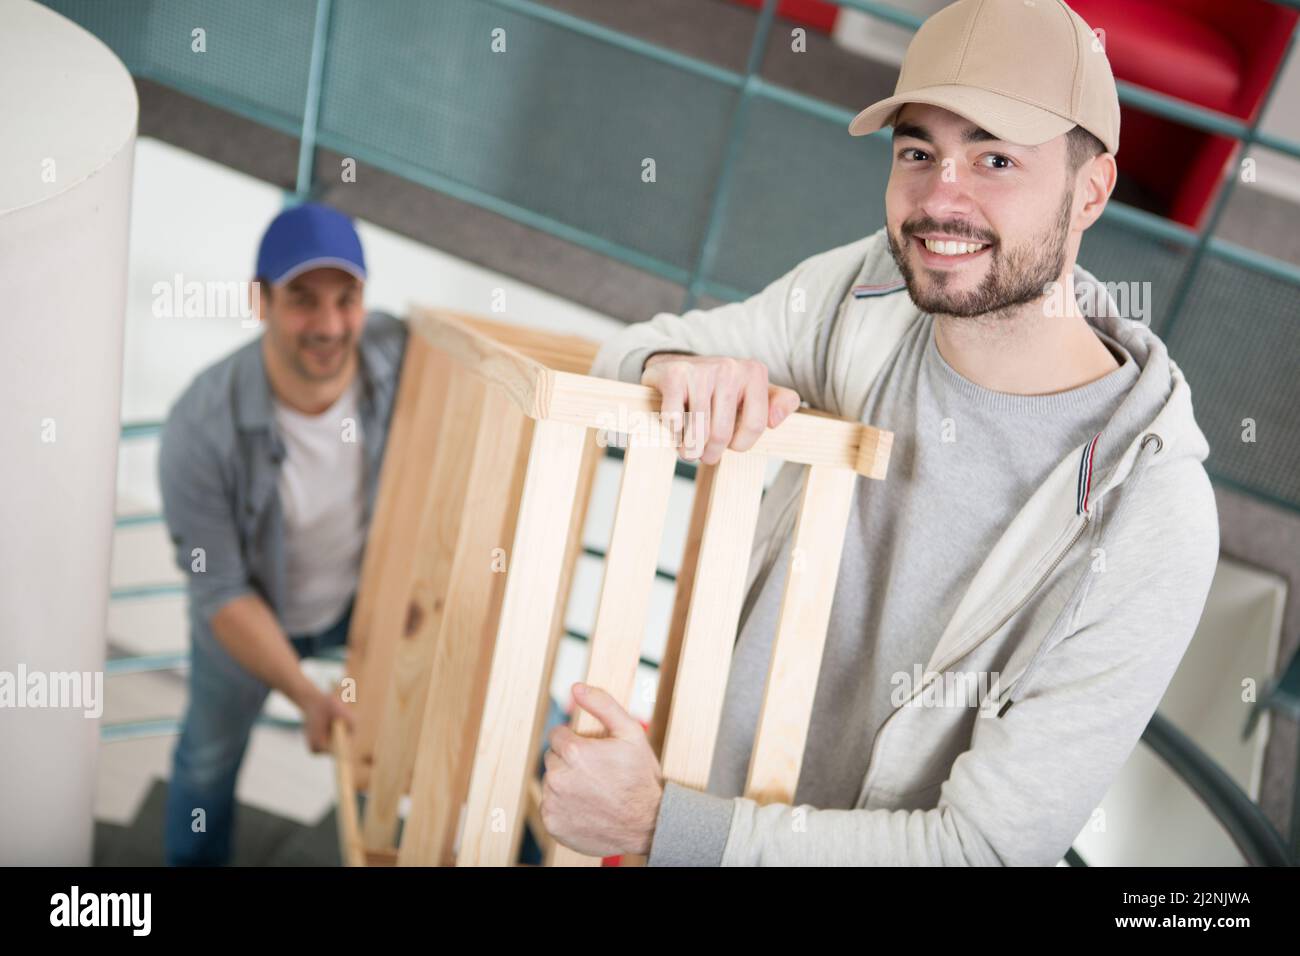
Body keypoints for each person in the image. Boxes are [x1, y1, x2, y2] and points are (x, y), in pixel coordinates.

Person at [538, 0, 1220, 865]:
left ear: (1091, 191)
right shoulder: (869, 289)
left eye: (996, 157)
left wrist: (666, 827)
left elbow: (985, 852)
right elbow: (631, 351)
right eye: (917, 151)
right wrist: (677, 367)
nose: (942, 197)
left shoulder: (1153, 516)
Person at [158, 203, 405, 865]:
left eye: (345, 300)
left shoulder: (396, 356)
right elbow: (221, 594)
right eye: (302, 300)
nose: (328, 325)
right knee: (206, 762)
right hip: (252, 615)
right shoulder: (199, 427)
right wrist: (304, 693)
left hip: (359, 603)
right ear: (259, 300)